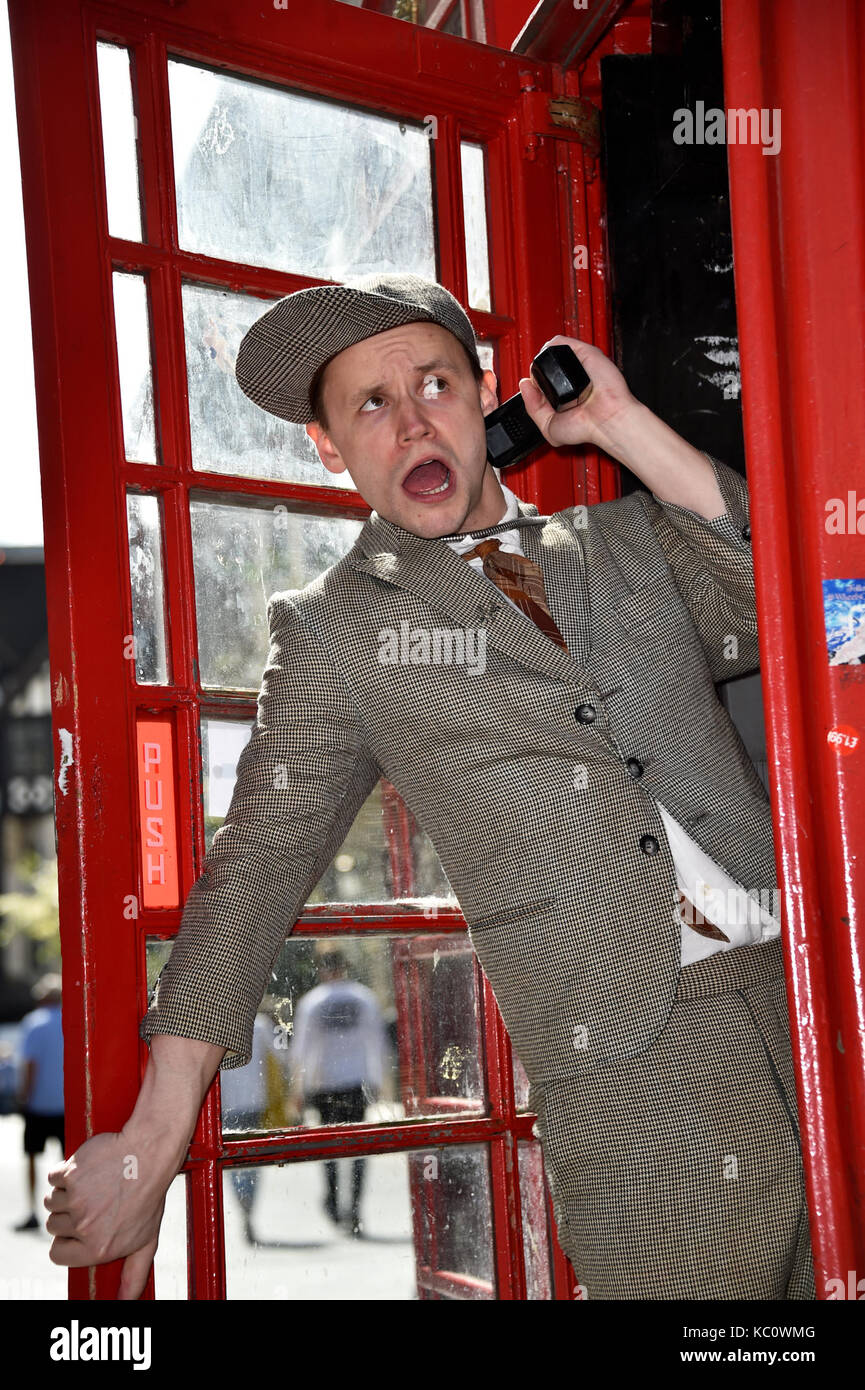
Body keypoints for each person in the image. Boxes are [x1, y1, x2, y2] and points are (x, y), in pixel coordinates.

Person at [45, 273, 814, 1300]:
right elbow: (258, 864)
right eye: (369, 403)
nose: (412, 422)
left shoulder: (629, 537)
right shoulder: (337, 627)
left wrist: (620, 423)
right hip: (640, 1081)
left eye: (435, 384)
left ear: (485, 397)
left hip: (815, 1004)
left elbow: (805, 611)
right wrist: (156, 1128)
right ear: (328, 447)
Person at [286, 949, 390, 1238]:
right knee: (358, 1149)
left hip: (324, 1084)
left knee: (328, 1146)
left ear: (321, 970)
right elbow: (378, 1044)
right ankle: (354, 1209)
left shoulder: (312, 1002)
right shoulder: (364, 998)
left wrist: (298, 1089)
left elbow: (301, 1051)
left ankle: (332, 1201)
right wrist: (382, 1082)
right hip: (356, 1082)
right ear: (345, 967)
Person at [14, 973, 64, 1232]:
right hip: (67, 1105)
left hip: (39, 1104)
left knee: (32, 1157)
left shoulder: (34, 1023)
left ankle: (33, 1211)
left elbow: (30, 1065)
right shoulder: (72, 1020)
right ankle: (68, 1208)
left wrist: (23, 1096)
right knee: (69, 1162)